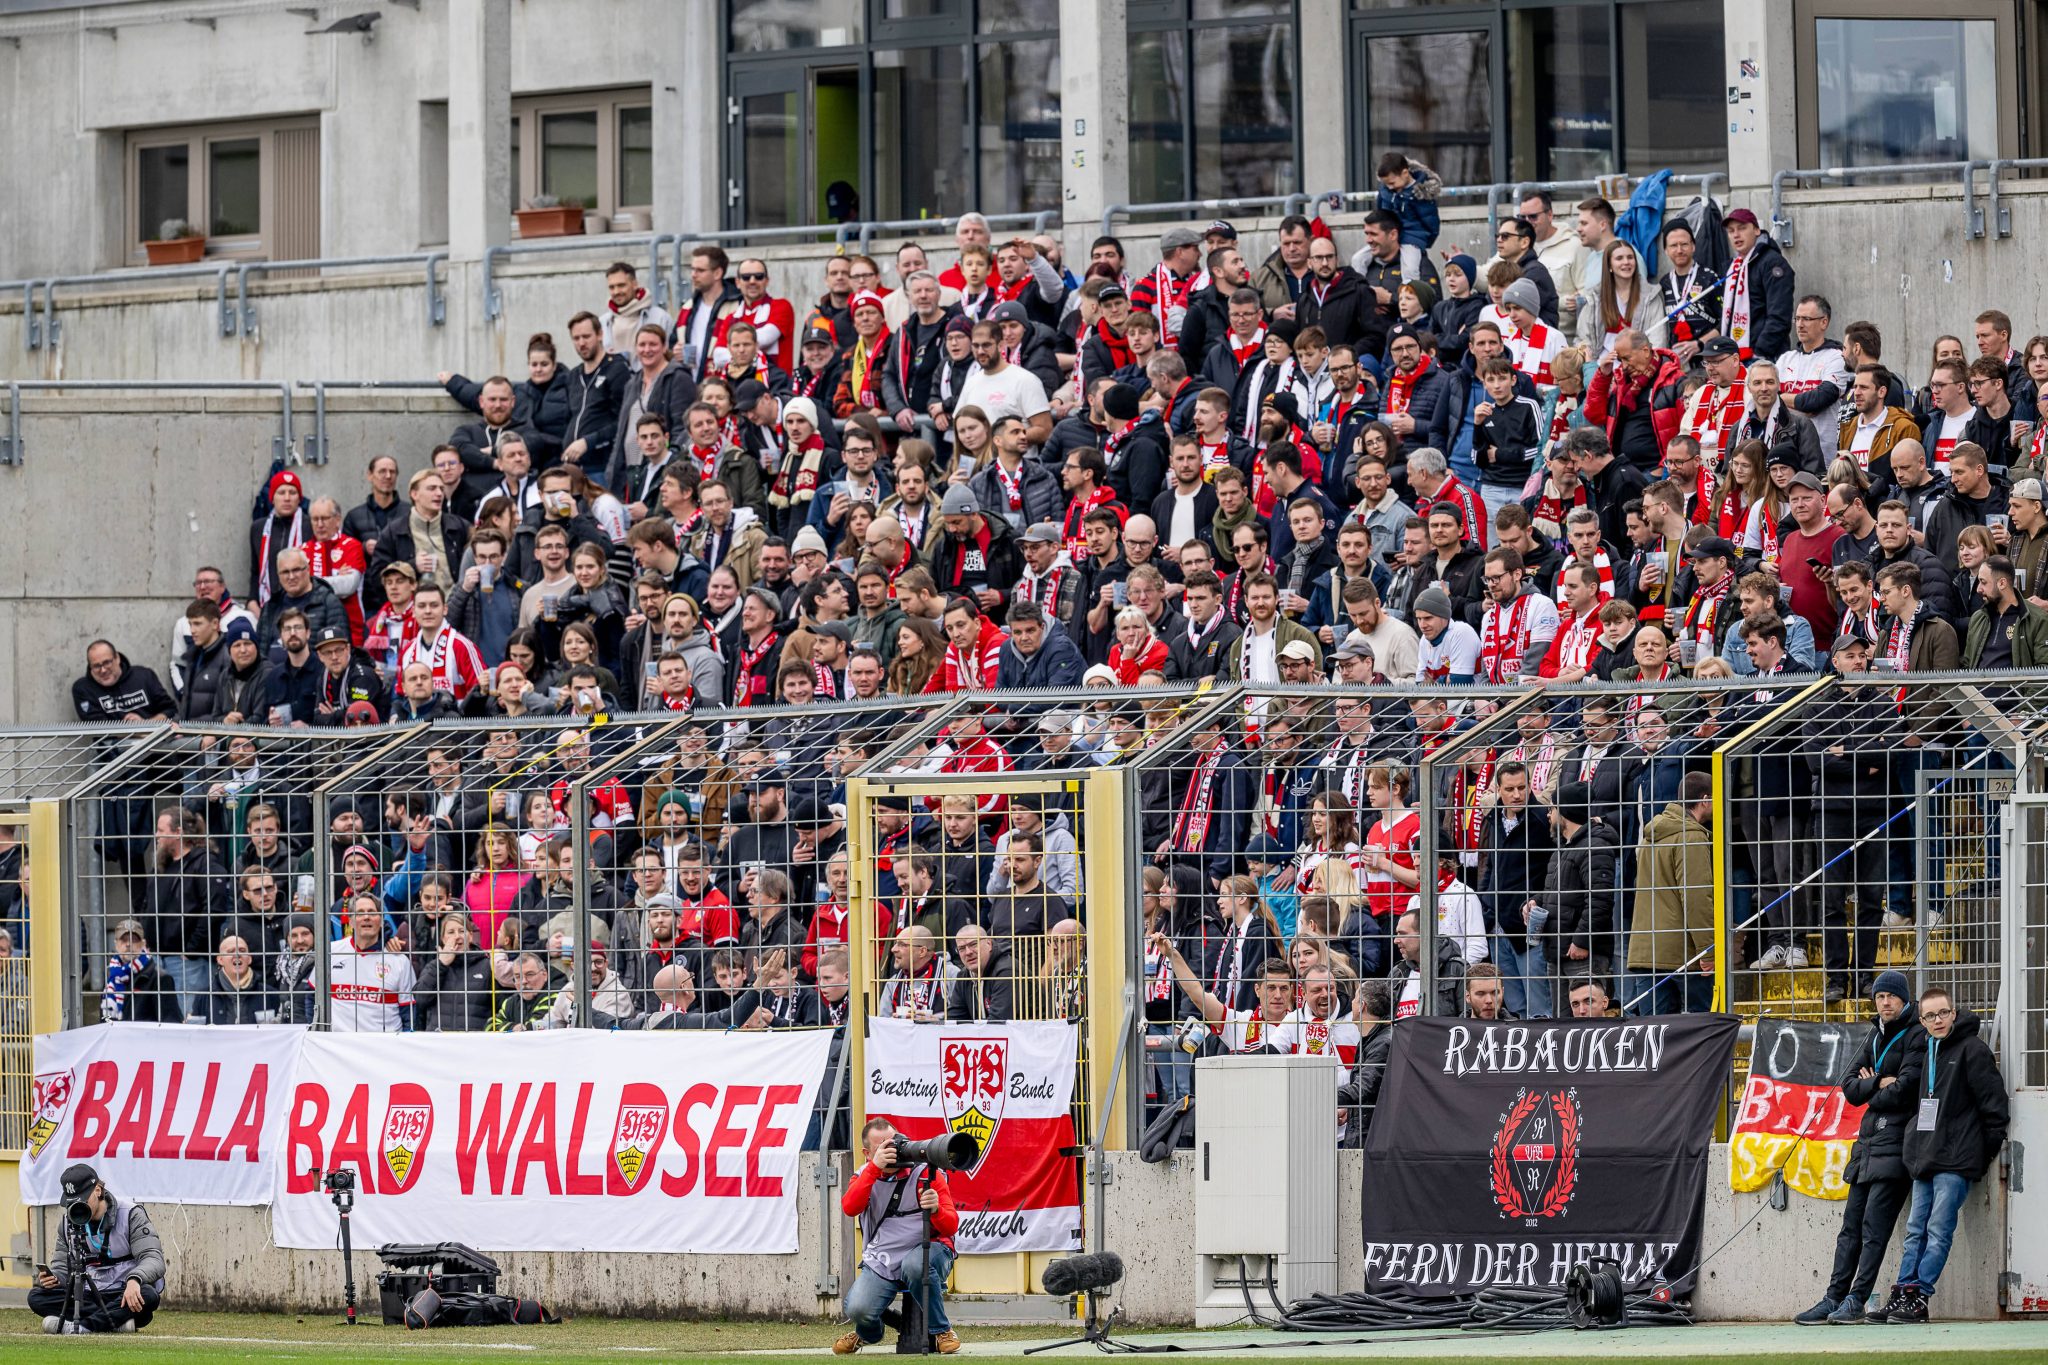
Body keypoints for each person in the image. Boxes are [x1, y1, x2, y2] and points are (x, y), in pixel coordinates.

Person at [1794, 971, 1922, 1326]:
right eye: (1880, 997)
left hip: (1896, 1146)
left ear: (1904, 1000)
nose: (1885, 1003)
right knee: (1849, 1228)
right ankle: (1833, 1297)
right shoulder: (1874, 1034)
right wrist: (1881, 1082)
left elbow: (1908, 1088)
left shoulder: (1917, 1034)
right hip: (1866, 1145)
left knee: (1873, 1228)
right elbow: (1849, 1088)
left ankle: (1857, 1298)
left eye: (1891, 997)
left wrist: (1874, 1087)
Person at [1876, 987, 2009, 1323]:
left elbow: (1995, 1109)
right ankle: (1903, 1291)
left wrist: (1979, 1157)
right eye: (1930, 1016)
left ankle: (1920, 1297)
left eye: (1943, 1013)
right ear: (1921, 1021)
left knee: (1938, 1229)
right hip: (1926, 1158)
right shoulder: (1927, 1051)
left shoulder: (1973, 1050)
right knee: (1914, 1230)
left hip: (1956, 1161)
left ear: (1954, 1012)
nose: (1938, 1020)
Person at [835, 1117, 961, 1355]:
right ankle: (868, 1333)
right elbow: (850, 1208)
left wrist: (936, 1210)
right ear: (867, 1153)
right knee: (857, 1309)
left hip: (930, 1249)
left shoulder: (926, 1173)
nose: (891, 1151)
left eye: (893, 1143)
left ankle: (942, 1330)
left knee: (914, 1265)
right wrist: (874, 1169)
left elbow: (951, 1226)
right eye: (881, 1147)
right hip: (884, 1256)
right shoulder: (864, 1174)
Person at [1621, 771, 1714, 1015]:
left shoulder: (1652, 835)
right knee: (1700, 1031)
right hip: (1682, 953)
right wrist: (1709, 950)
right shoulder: (1691, 836)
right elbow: (1696, 897)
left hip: (1644, 950)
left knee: (1655, 1040)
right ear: (1705, 800)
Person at [33, 1163, 165, 1334]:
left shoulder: (130, 1214)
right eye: (71, 1203)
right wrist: (56, 1278)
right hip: (88, 1295)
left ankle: (81, 1327)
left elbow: (154, 1258)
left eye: (82, 1201)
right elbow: (61, 1265)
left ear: (98, 1190)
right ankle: (113, 1322)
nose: (76, 1208)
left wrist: (135, 1280)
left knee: (148, 1295)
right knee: (36, 1297)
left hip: (123, 1292)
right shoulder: (67, 1221)